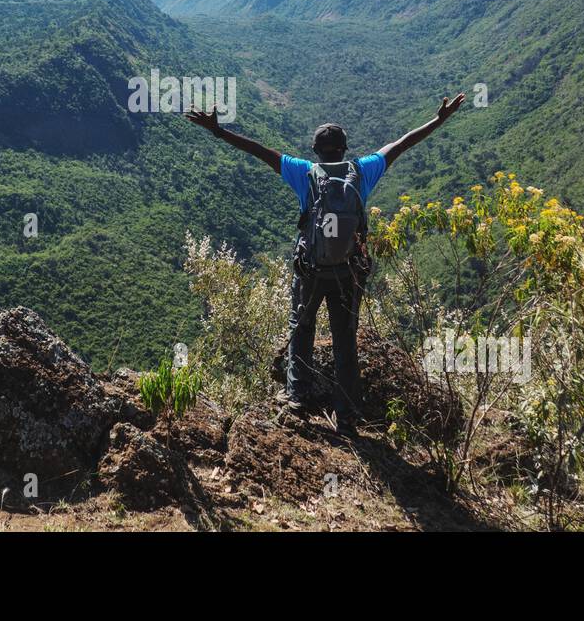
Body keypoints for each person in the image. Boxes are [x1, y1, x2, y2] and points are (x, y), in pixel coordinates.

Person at [185, 93, 465, 431]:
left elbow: (259, 151)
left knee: (301, 329)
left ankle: (297, 399)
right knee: (345, 340)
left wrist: (218, 131)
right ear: (345, 149)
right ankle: (347, 415)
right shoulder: (363, 171)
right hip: (349, 273)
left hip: (311, 272)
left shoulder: (303, 172)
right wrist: (439, 120)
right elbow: (402, 144)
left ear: (316, 151)